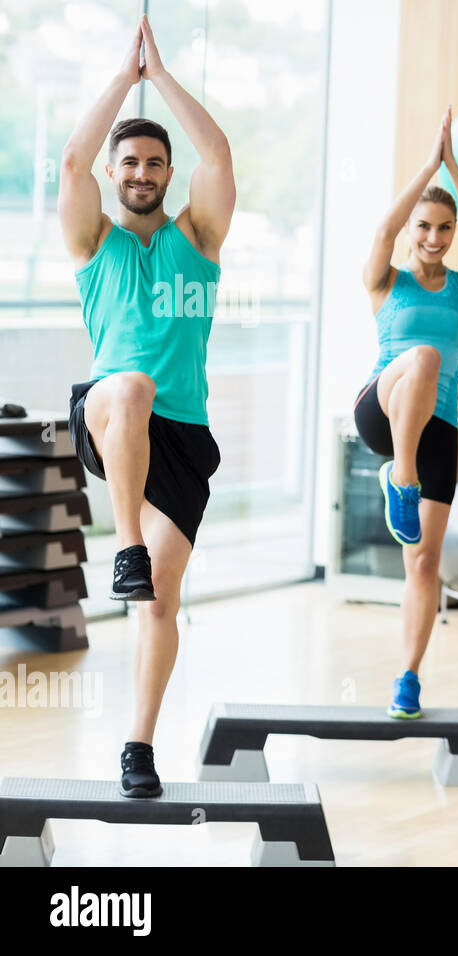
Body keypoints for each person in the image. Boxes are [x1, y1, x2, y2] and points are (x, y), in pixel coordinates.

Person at [58, 17, 236, 797]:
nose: (140, 172)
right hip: (110, 413)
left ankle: (138, 747)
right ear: (114, 169)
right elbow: (71, 161)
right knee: (132, 385)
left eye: (154, 162)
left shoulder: (199, 237)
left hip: (185, 438)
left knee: (159, 606)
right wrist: (119, 78)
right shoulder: (94, 243)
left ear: (168, 172)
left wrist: (159, 76)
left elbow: (219, 157)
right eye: (128, 161)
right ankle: (125, 544)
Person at [354, 106, 458, 719]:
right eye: (425, 227)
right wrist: (426, 167)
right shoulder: (386, 281)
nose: (435, 238)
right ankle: (401, 478)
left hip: (439, 430)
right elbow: (384, 229)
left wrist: (453, 167)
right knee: (426, 356)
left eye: (444, 229)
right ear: (412, 228)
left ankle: (408, 677)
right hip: (381, 409)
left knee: (425, 561)